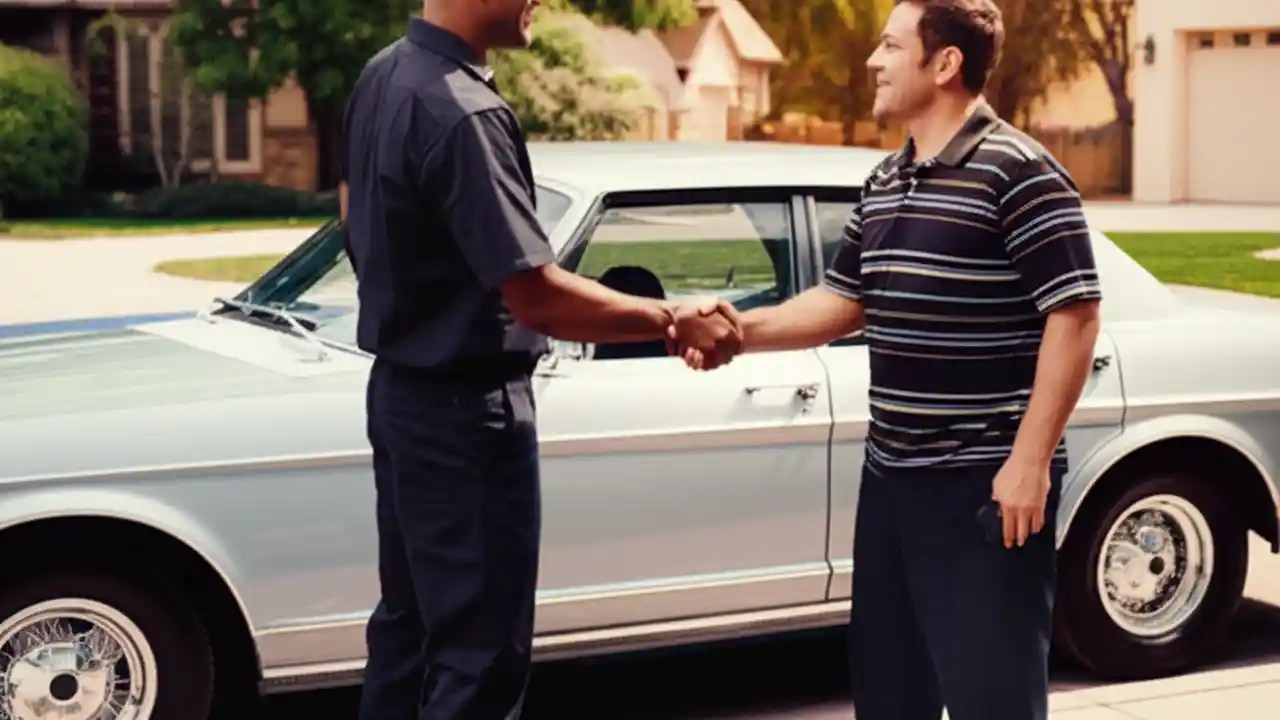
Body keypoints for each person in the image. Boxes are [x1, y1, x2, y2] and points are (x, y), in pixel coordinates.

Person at [673, 1, 1103, 718]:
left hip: (982, 488)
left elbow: (1076, 312)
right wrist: (738, 332)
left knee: (990, 700)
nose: (873, 61)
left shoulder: (1020, 172)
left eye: (890, 46)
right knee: (889, 694)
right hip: (892, 481)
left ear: (945, 63)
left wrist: (1029, 461)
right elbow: (844, 301)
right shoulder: (885, 181)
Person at [338, 1, 741, 718]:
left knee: (408, 633)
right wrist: (669, 317)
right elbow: (535, 296)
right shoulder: (462, 111)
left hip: (400, 395)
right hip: (469, 416)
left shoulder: (382, 77)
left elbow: (349, 213)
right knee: (479, 654)